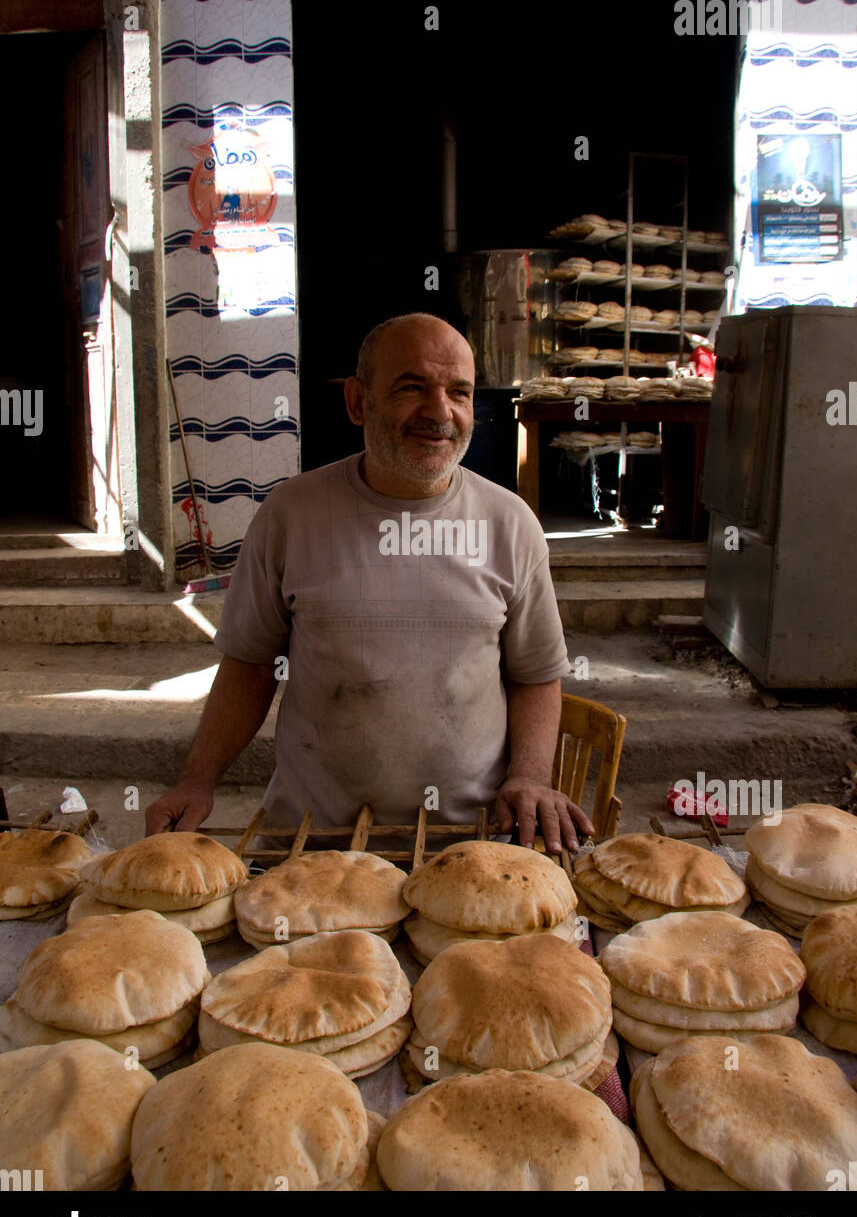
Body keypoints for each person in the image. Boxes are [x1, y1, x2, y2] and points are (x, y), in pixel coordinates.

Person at [146, 313, 592, 852]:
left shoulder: (509, 524)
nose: (440, 412)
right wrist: (197, 779)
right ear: (358, 402)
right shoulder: (292, 515)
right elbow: (249, 664)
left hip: (469, 844)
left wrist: (530, 777)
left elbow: (536, 675)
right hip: (314, 843)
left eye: (460, 392)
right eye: (412, 388)